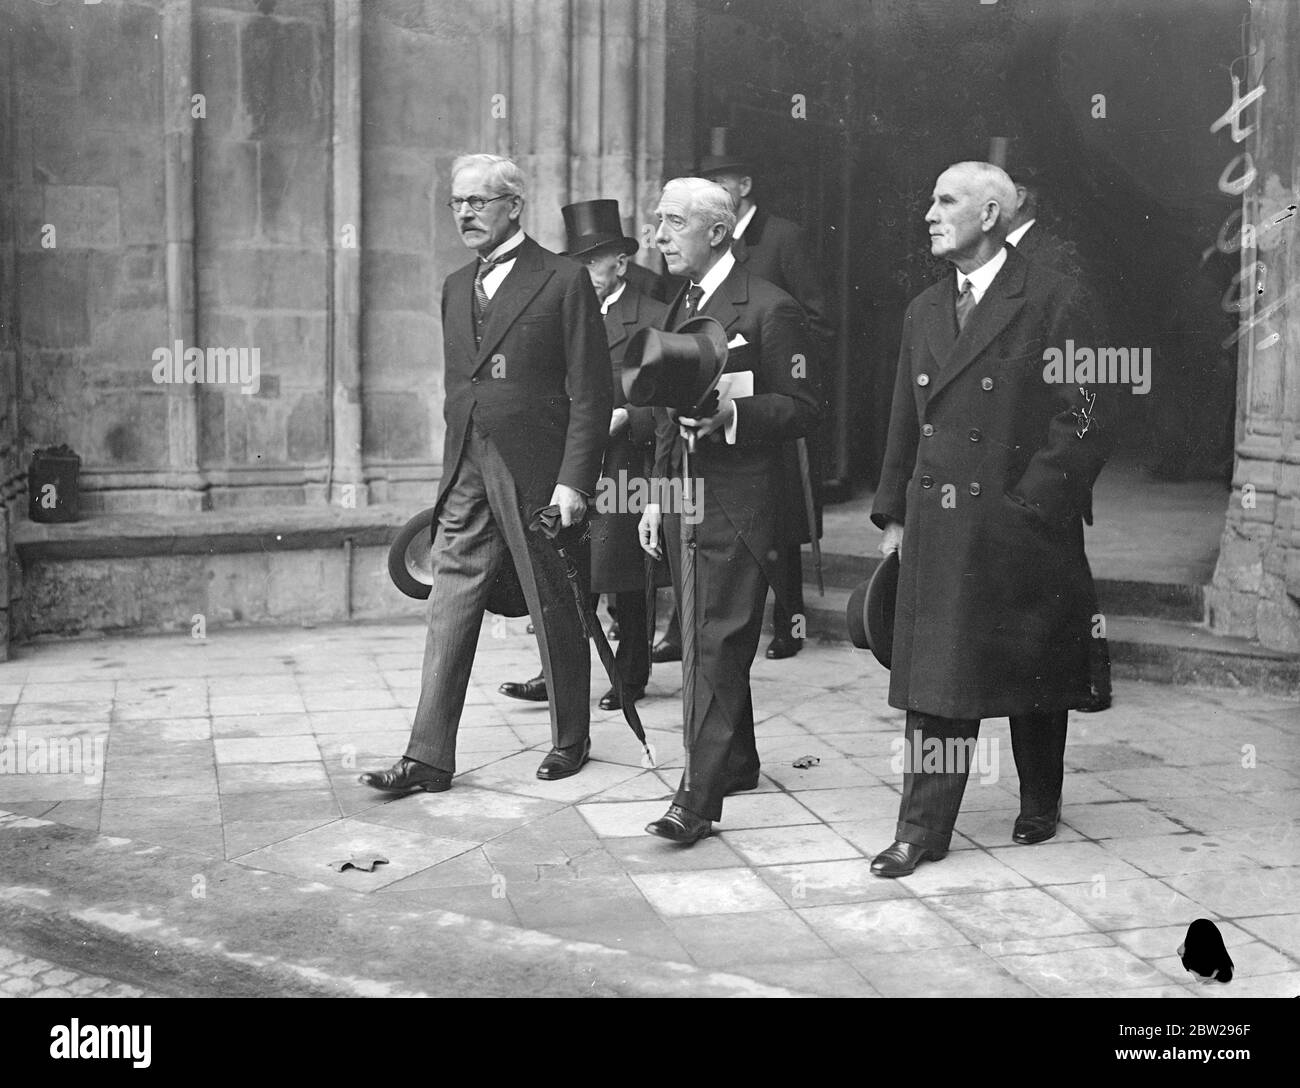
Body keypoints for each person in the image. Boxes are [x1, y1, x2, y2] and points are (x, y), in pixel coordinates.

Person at [868, 161, 1110, 877]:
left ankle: (1040, 801)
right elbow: (903, 424)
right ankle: (921, 828)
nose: (929, 214)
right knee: (936, 680)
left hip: (1021, 520)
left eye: (946, 201)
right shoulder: (923, 310)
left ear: (993, 213)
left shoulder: (1053, 297)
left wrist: (1031, 504)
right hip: (940, 522)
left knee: (1034, 665)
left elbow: (1087, 415)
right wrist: (894, 516)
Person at [359, 154, 611, 795]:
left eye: (478, 201)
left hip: (538, 471)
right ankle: (427, 757)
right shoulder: (451, 286)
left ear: (514, 205)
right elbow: (461, 386)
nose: (466, 213)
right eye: (457, 203)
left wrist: (573, 482)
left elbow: (591, 392)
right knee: (449, 602)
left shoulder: (562, 280)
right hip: (467, 466)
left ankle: (570, 738)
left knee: (553, 603)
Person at [638, 177, 818, 844]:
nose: (658, 235)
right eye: (658, 221)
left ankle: (698, 797)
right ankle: (736, 761)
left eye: (673, 222)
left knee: (716, 638)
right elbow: (661, 411)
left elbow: (804, 407)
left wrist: (735, 413)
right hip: (685, 496)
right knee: (705, 636)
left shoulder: (771, 308)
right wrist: (656, 499)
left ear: (717, 231)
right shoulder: (677, 302)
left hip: (742, 500)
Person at [499, 199, 669, 711]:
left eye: (591, 261)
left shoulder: (654, 317)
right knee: (570, 566)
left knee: (626, 575)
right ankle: (557, 673)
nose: (580, 271)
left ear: (620, 262)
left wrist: (625, 417)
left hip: (626, 464)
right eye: (575, 260)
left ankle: (630, 674)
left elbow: (665, 400)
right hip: (573, 462)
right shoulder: (562, 311)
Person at [1004, 162, 1113, 713]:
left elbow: (1085, 387)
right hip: (1004, 460)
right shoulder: (989, 260)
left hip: (1047, 456)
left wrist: (1053, 468)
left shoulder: (1054, 256)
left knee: (1066, 569)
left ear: (1019, 196)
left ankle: (1091, 676)